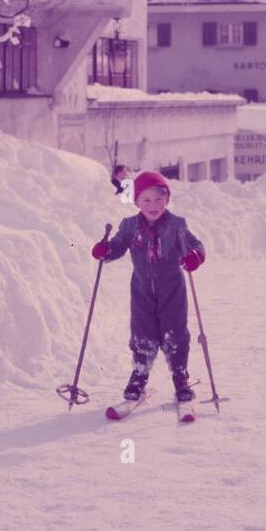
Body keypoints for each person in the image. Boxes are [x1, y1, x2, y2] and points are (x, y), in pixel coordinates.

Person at [92, 170, 206, 403]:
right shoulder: (129, 226)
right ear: (137, 202)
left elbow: (196, 246)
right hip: (142, 290)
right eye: (146, 200)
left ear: (167, 199)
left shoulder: (177, 225)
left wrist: (194, 255)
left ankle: (180, 375)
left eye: (158, 199)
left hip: (172, 291)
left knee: (175, 332)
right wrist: (106, 250)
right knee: (142, 332)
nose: (153, 205)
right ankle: (139, 375)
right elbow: (117, 246)